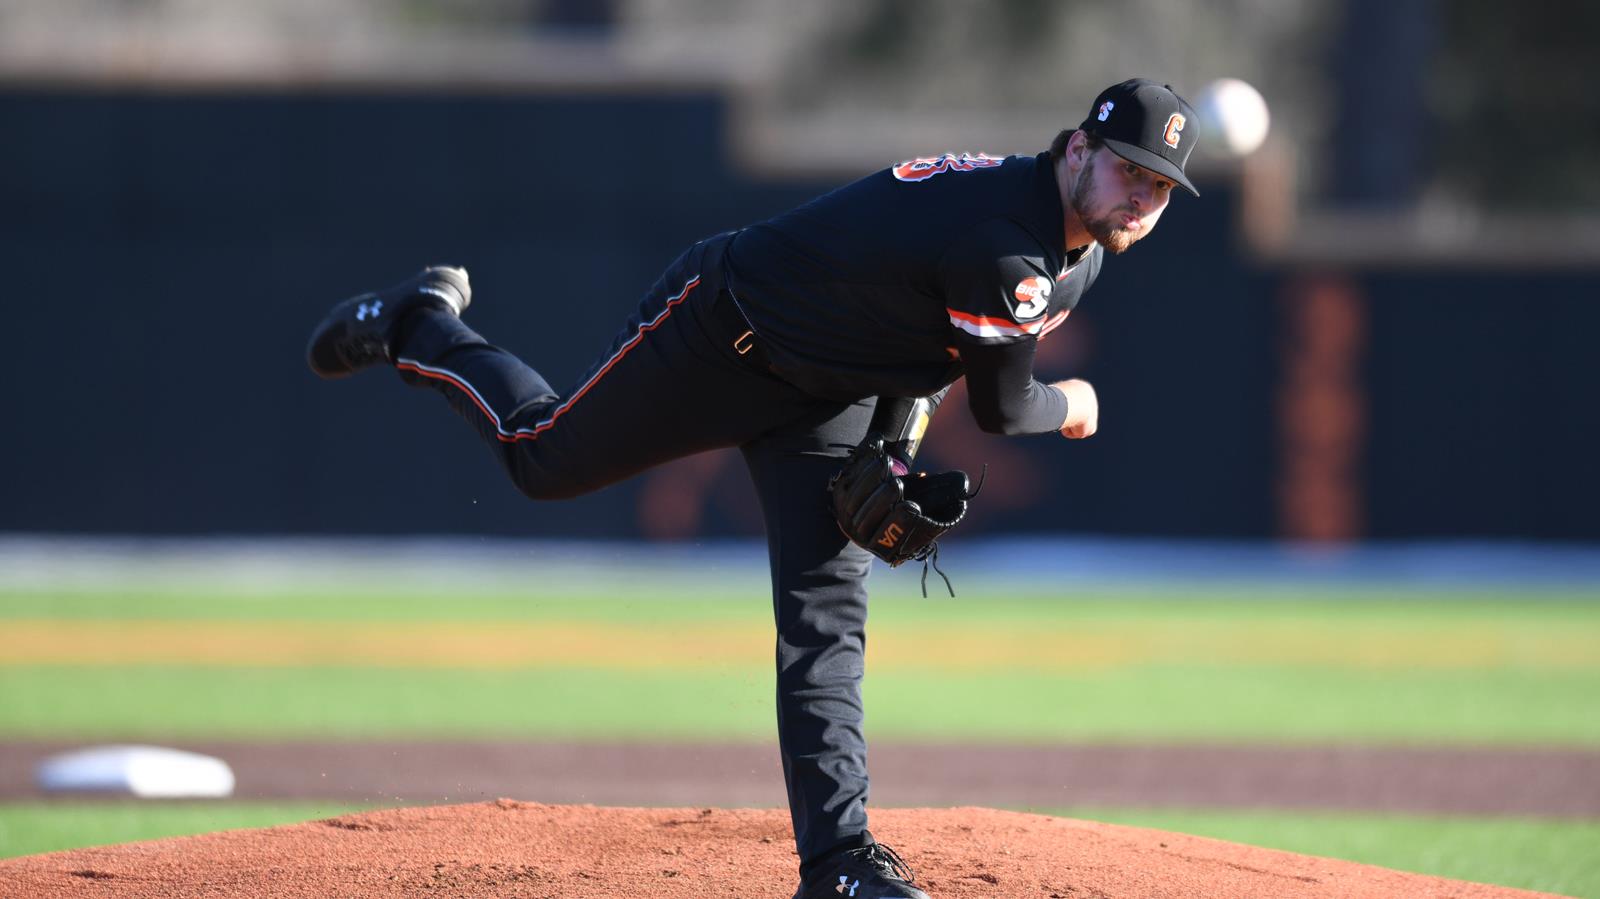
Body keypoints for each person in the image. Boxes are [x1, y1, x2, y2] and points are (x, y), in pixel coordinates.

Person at [307, 77, 1198, 899]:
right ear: (1078, 148)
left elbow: (929, 352)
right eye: (1129, 170)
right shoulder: (1011, 246)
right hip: (720, 335)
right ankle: (418, 322)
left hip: (832, 393)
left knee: (824, 619)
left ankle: (840, 862)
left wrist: (890, 444)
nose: (1141, 198)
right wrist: (1073, 402)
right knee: (542, 458)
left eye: (1159, 187)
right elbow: (1006, 407)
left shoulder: (1073, 252)